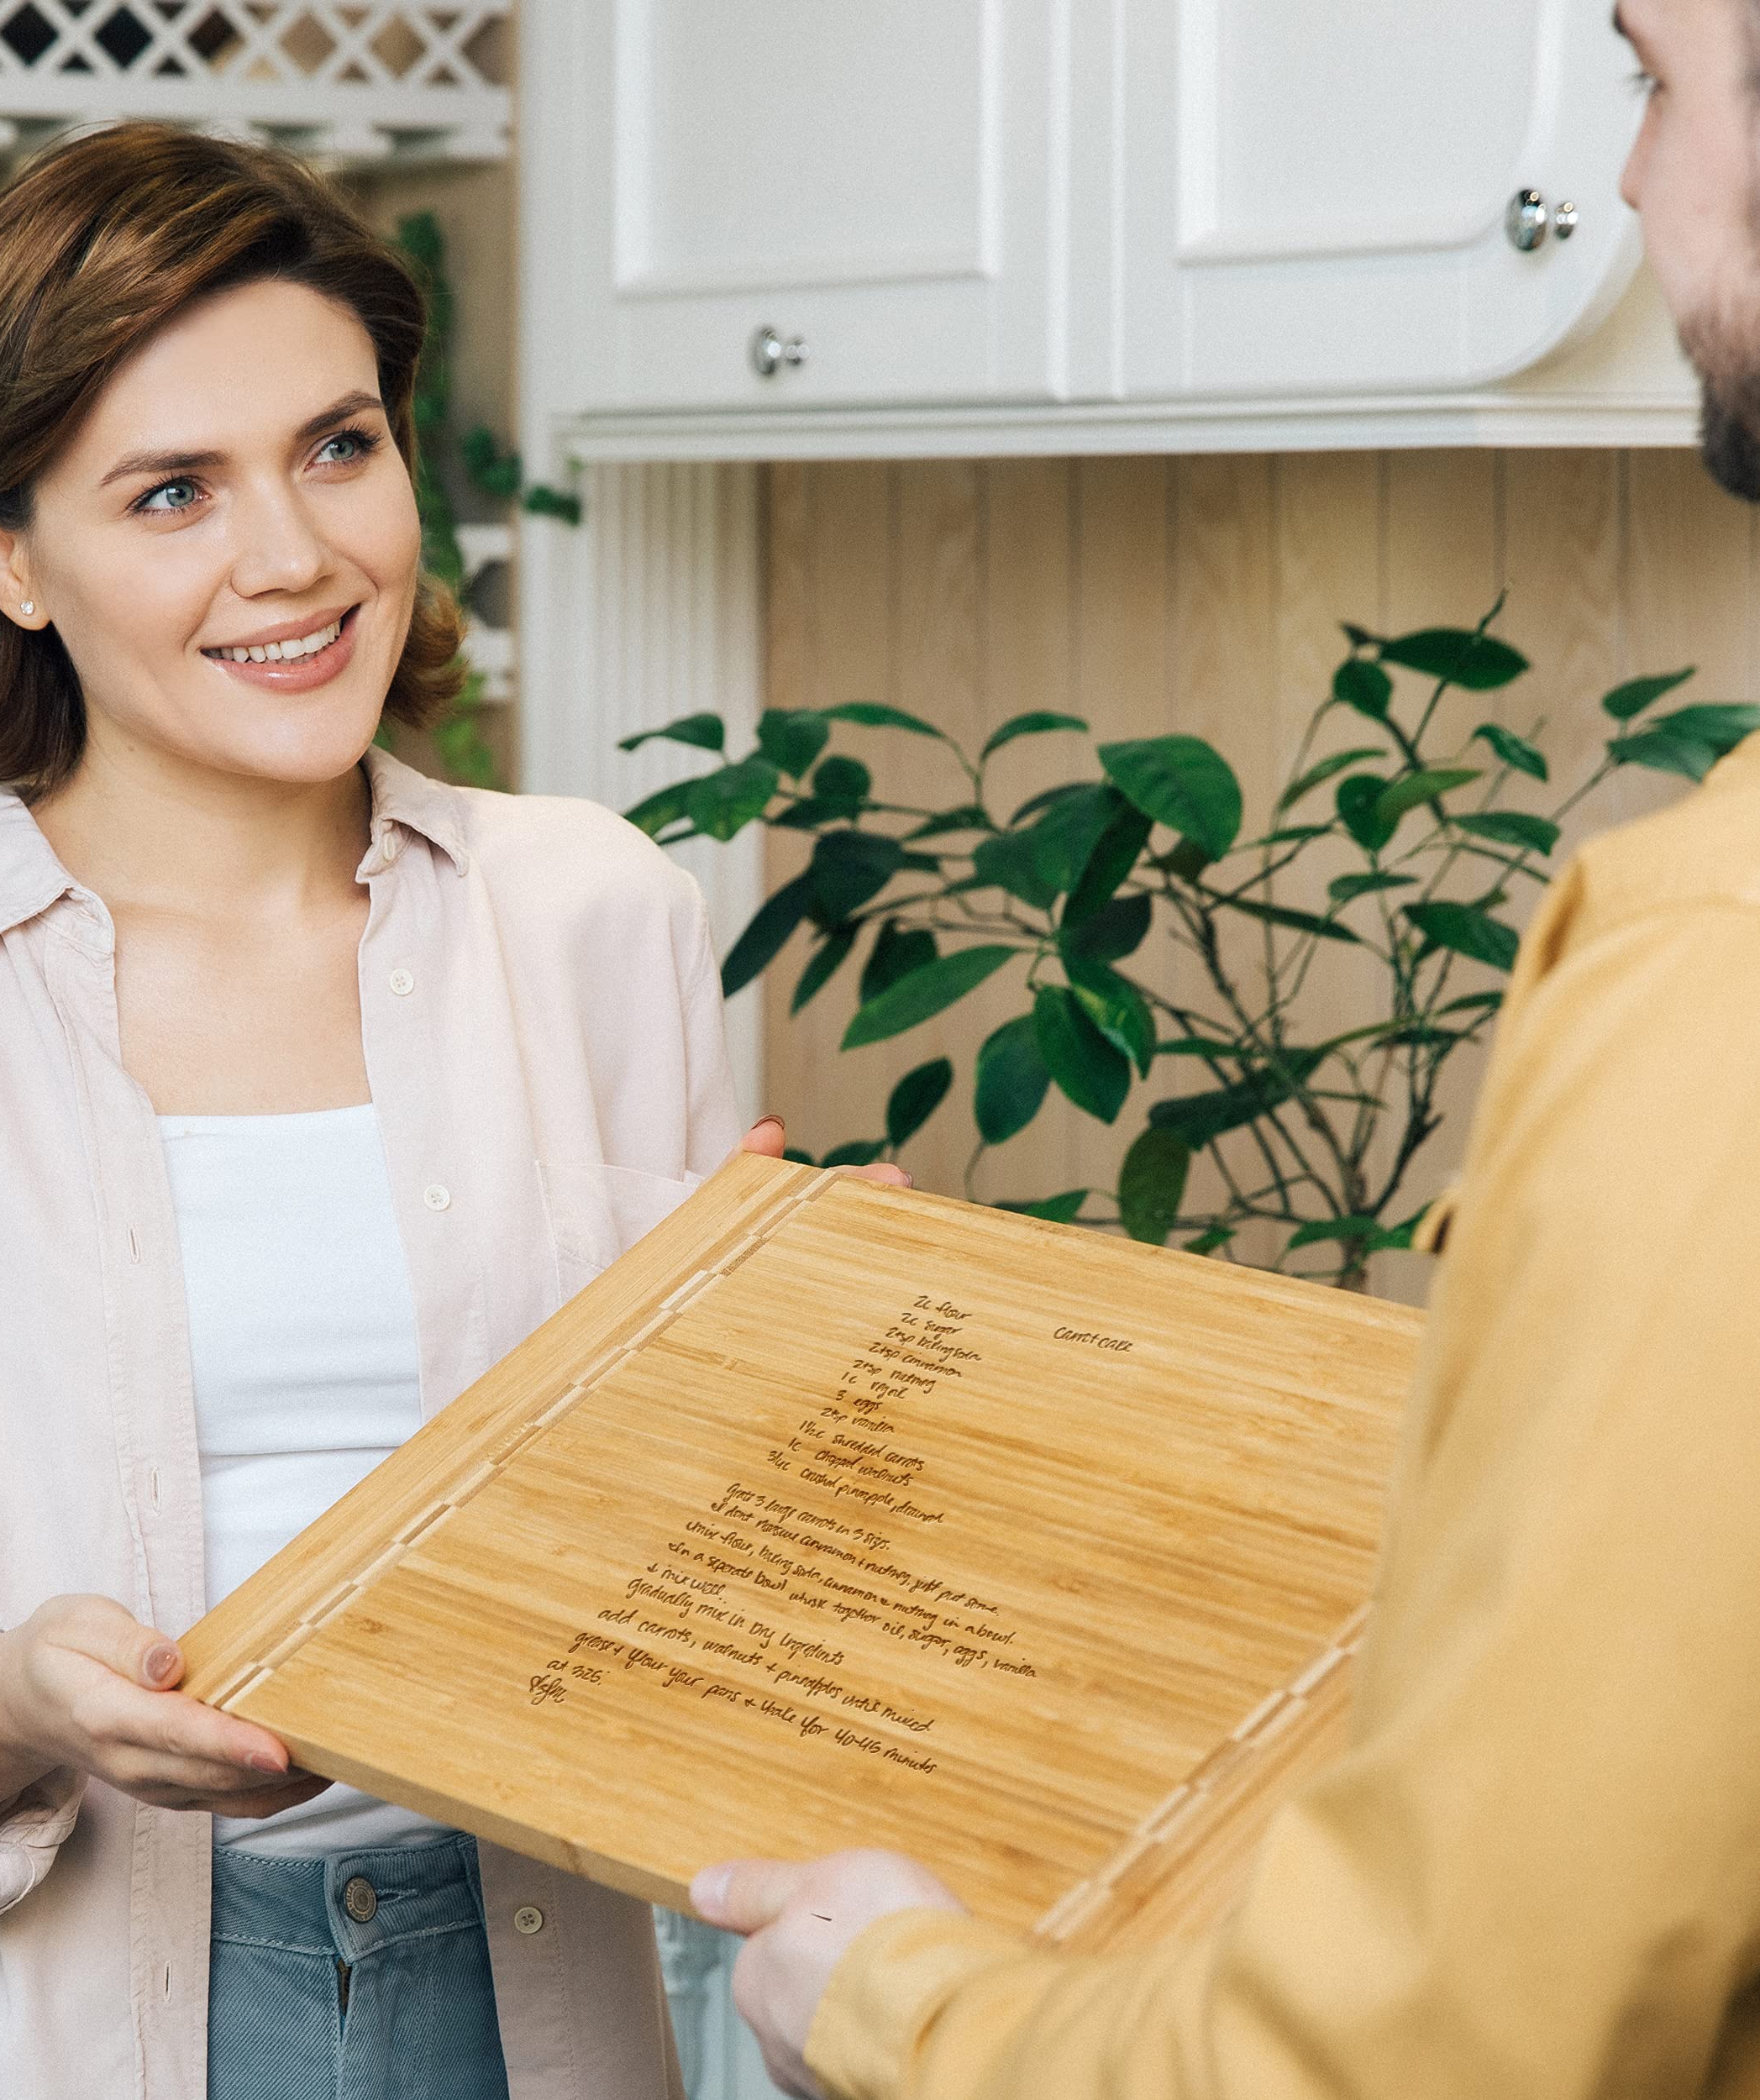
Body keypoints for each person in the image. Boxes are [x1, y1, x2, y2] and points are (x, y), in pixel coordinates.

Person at [0, 122, 895, 2100]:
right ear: (1, 551)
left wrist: (821, 1385)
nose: (296, 557)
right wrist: (10, 1694)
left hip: (538, 1997)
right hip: (49, 2025)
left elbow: (688, 1590)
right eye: (172, 491)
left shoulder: (594, 915)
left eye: (338, 445)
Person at [693, 3, 1760, 2093]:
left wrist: (901, 1998)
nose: (1622, 177)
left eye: (1656, 74)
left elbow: (1438, 2048)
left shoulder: (1712, 967)